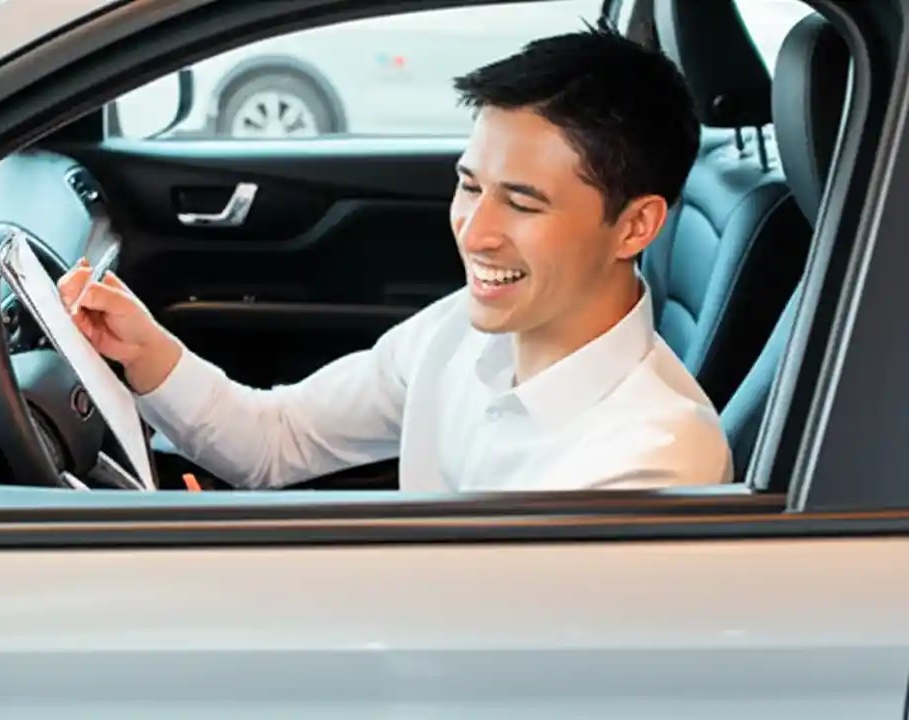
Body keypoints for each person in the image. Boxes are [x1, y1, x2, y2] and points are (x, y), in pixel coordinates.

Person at [56, 22, 733, 492]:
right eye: (469, 186)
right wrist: (144, 352)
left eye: (523, 204)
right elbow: (279, 439)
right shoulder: (460, 329)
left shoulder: (653, 461)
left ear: (635, 226)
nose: (475, 231)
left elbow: (497, 678)